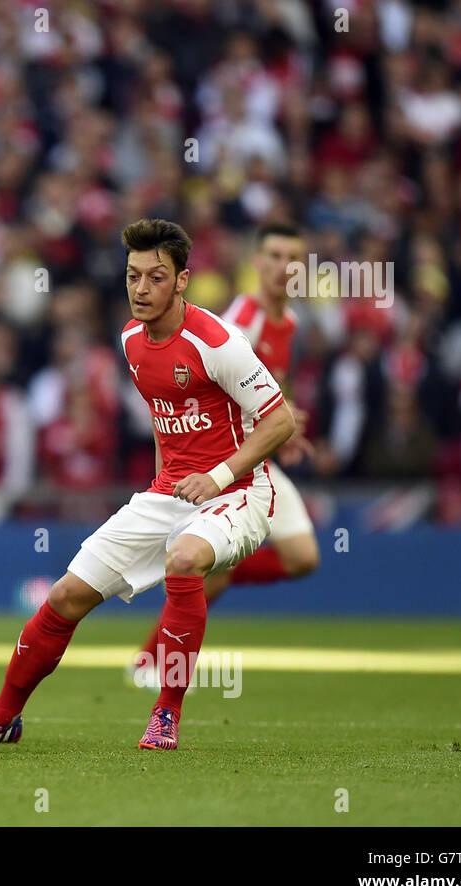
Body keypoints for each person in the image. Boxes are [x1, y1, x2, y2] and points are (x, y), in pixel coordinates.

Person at [0, 218, 294, 750]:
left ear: (182, 280)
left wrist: (218, 474)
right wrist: (166, 481)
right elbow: (167, 419)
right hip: (172, 491)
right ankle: (2, 716)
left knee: (184, 560)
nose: (141, 288)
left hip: (239, 492)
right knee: (67, 596)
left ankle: (166, 713)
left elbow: (280, 421)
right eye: (133, 275)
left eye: (156, 277)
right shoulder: (131, 340)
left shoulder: (218, 342)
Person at [131, 221, 320, 687]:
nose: (283, 266)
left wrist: (284, 423)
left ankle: (215, 570)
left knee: (302, 557)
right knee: (216, 567)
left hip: (257, 457)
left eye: (293, 257)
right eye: (274, 256)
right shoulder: (242, 320)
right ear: (256, 263)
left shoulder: (289, 323)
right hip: (224, 462)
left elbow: (262, 390)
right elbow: (214, 384)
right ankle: (151, 661)